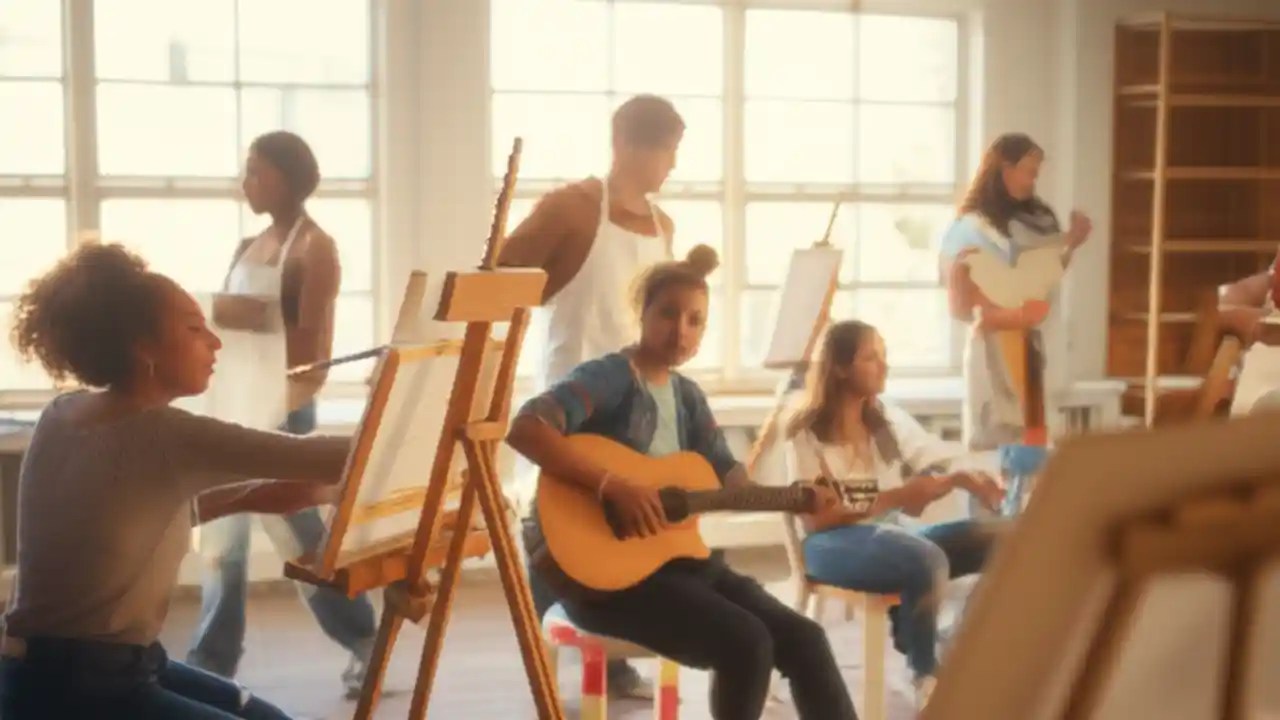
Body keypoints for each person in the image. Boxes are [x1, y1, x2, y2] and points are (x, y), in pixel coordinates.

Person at [0, 243, 352, 719]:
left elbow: (119, 522)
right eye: (193, 328)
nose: (215, 341)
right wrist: (443, 416)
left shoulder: (62, 414)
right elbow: (333, 458)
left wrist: (256, 497)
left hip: (53, 668)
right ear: (142, 347)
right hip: (81, 689)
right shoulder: (164, 432)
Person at [507, 246, 857, 720]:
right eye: (668, 313)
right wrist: (614, 485)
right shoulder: (609, 377)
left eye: (695, 320)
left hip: (679, 565)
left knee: (806, 639)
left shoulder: (688, 397)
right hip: (607, 581)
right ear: (642, 314)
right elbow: (526, 428)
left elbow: (729, 478)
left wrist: (796, 496)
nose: (681, 330)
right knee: (747, 642)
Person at [497, 94, 682, 698]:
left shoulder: (664, 227)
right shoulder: (571, 209)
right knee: (552, 538)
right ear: (628, 144)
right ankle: (542, 671)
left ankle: (616, 656)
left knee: (622, 540)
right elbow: (497, 282)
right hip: (569, 405)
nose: (672, 166)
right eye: (666, 151)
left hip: (636, 411)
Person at [188, 130, 376, 696]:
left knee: (301, 537)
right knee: (225, 534)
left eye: (256, 171)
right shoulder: (248, 245)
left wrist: (277, 418)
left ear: (288, 178)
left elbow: (312, 350)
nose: (246, 183)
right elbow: (234, 325)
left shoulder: (315, 248)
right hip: (237, 404)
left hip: (284, 409)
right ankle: (212, 661)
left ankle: (365, 638)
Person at [784, 320, 1007, 709]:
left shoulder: (883, 418)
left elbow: (931, 451)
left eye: (883, 357)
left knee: (1003, 536)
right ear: (839, 367)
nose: (884, 367)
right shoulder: (806, 430)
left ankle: (957, 645)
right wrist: (898, 495)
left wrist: (965, 475)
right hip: (828, 543)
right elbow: (821, 514)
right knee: (925, 557)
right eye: (872, 357)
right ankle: (925, 672)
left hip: (892, 533)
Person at [938, 133, 1092, 454]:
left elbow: (1043, 276)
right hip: (993, 350)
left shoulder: (1036, 219)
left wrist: (1071, 244)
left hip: (1033, 349)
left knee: (1037, 456)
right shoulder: (971, 227)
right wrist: (1013, 315)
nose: (1033, 180)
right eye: (1028, 171)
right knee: (997, 455)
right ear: (1004, 169)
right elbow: (961, 304)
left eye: (1036, 173)